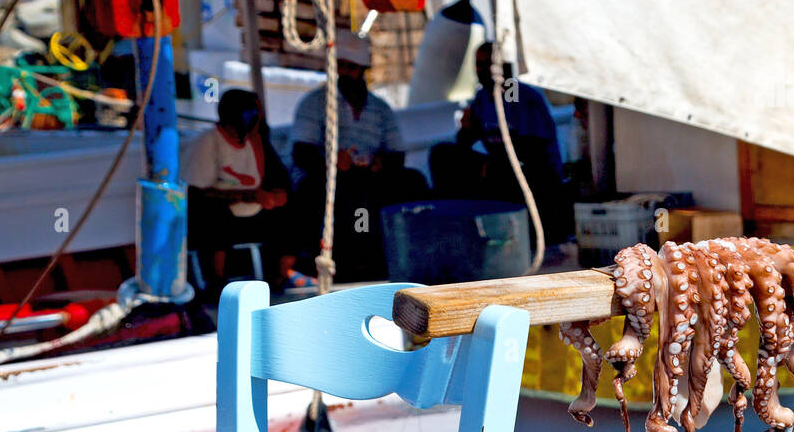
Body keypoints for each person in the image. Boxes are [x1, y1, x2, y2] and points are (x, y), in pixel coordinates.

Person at [289, 37, 428, 281]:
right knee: (350, 193)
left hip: (367, 176)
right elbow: (301, 153)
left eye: (351, 68)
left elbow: (396, 152)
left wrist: (382, 163)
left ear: (363, 70)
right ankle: (350, 263)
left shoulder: (380, 108)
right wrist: (332, 163)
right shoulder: (314, 103)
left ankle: (401, 257)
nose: (345, 73)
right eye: (340, 67)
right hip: (324, 176)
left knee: (413, 181)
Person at [429, 42, 569, 241]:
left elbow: (534, 151)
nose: (481, 71)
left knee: (499, 173)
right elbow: (465, 143)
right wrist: (466, 129)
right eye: (478, 65)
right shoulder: (482, 97)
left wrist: (494, 163)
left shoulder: (520, 95)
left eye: (487, 65)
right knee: (442, 155)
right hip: (497, 169)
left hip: (533, 174)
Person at [184, 88, 295, 292]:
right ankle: (215, 280)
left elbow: (278, 177)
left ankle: (282, 275)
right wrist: (245, 195)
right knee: (214, 214)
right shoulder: (208, 141)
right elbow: (196, 192)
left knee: (290, 210)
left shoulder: (257, 141)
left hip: (251, 216)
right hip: (217, 216)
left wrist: (278, 194)